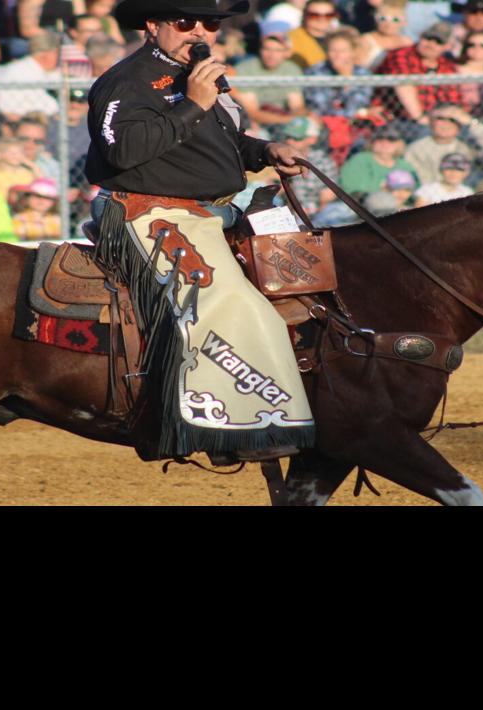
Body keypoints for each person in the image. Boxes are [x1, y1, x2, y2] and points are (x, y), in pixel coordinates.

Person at [84, 0, 315, 462]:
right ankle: (219, 426)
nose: (199, 32)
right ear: (153, 25)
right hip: (147, 212)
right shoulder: (125, 81)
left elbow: (219, 144)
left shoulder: (199, 73)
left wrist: (265, 149)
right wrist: (193, 104)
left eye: (209, 22)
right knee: (224, 299)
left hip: (212, 210)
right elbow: (122, 152)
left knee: (303, 273)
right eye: (185, 21)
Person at [231, 21, 308, 129]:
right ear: (260, 50)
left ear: (286, 53)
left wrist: (299, 120)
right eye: (267, 49)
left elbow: (297, 106)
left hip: (286, 120)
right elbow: (252, 113)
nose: (271, 55)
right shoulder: (245, 69)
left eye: (277, 50)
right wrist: (288, 120)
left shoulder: (292, 69)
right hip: (256, 125)